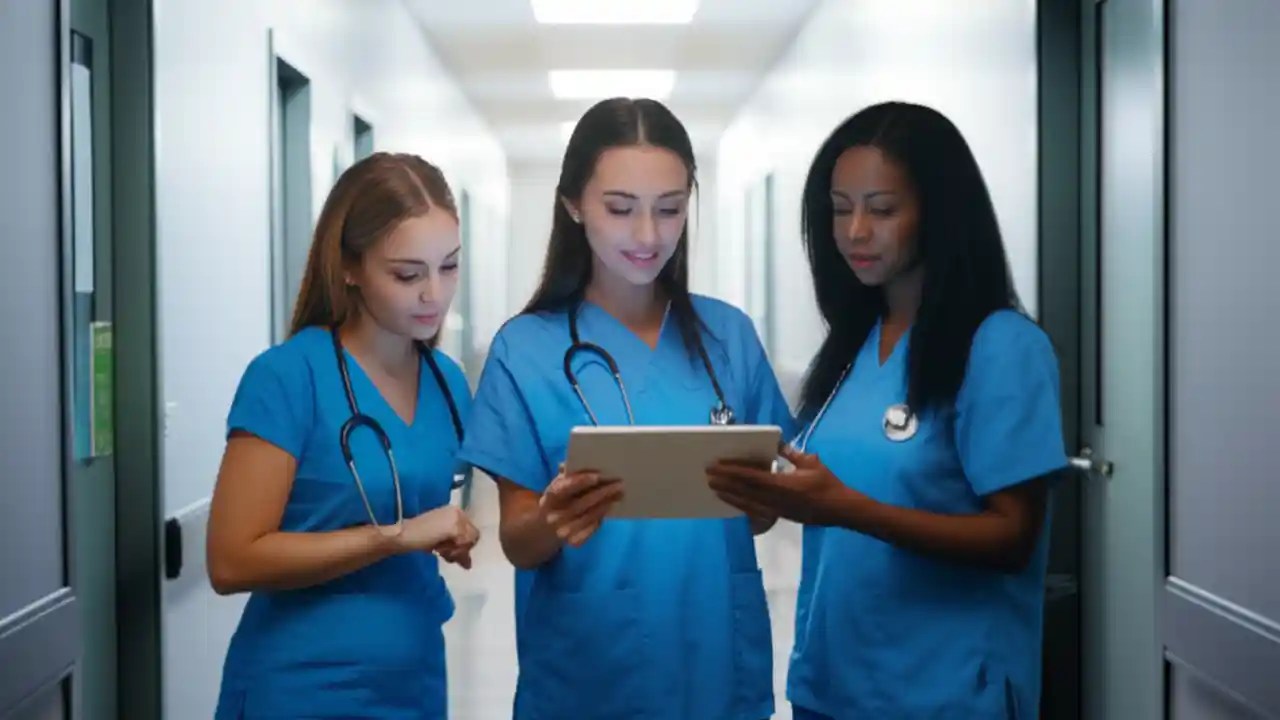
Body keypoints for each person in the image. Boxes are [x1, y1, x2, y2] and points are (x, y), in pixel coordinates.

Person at [707, 101, 1070, 719]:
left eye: (881, 209)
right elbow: (830, 490)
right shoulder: (853, 345)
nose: (854, 231)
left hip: (944, 691)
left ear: (939, 212)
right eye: (840, 209)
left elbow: (1012, 536)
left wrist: (843, 508)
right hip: (833, 684)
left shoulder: (1001, 346)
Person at [457, 97, 795, 720]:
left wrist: (765, 501)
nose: (648, 236)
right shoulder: (523, 351)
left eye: (670, 209)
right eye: (620, 209)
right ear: (572, 204)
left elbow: (757, 520)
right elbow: (519, 541)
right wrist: (556, 516)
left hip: (715, 668)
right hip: (588, 674)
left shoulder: (731, 338)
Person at [206, 152, 481, 719]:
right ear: (350, 267)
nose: (435, 294)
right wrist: (396, 535)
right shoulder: (288, 376)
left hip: (415, 679)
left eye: (449, 267)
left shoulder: (447, 381)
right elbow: (232, 561)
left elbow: (419, 504)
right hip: (302, 686)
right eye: (408, 274)